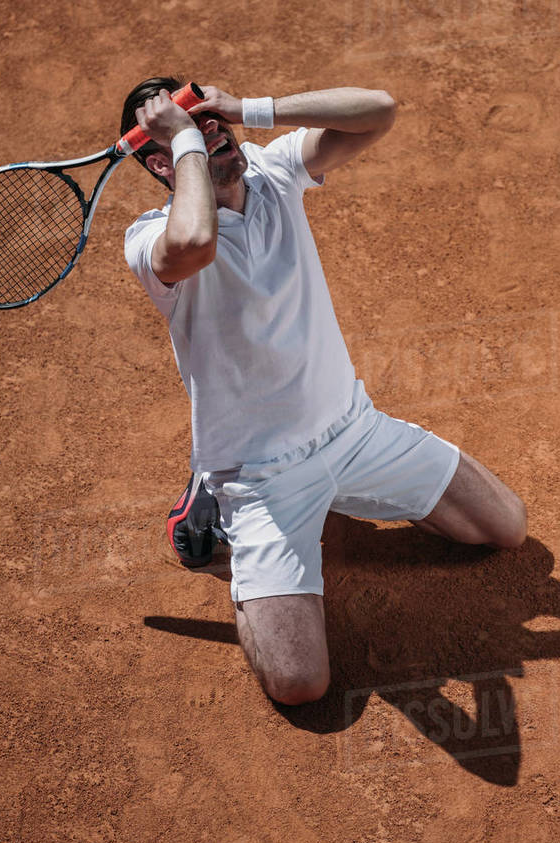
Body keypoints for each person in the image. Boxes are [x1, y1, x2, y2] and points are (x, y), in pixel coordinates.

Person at [122, 75, 527, 706]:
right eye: (190, 129)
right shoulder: (149, 241)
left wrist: (247, 108)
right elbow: (195, 241)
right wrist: (187, 142)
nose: (210, 129)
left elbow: (378, 111)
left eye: (206, 118)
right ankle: (212, 504)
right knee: (300, 683)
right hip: (262, 478)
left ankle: (337, 497)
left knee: (505, 527)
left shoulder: (274, 172)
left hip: (355, 432)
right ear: (162, 162)